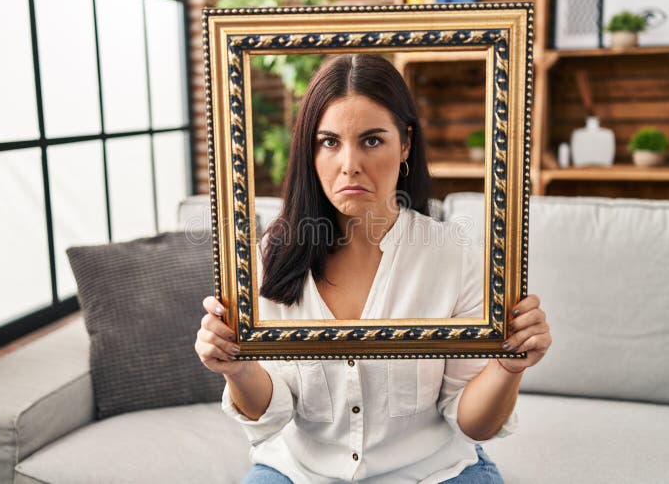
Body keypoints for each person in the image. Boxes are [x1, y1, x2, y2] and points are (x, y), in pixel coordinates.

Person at [195, 53, 551, 483]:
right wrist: (236, 366)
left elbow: (473, 423)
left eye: (371, 140)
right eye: (329, 142)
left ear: (405, 145)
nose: (350, 164)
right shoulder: (269, 257)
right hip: (302, 474)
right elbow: (268, 415)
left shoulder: (455, 258)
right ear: (310, 150)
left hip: (433, 474)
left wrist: (508, 366)